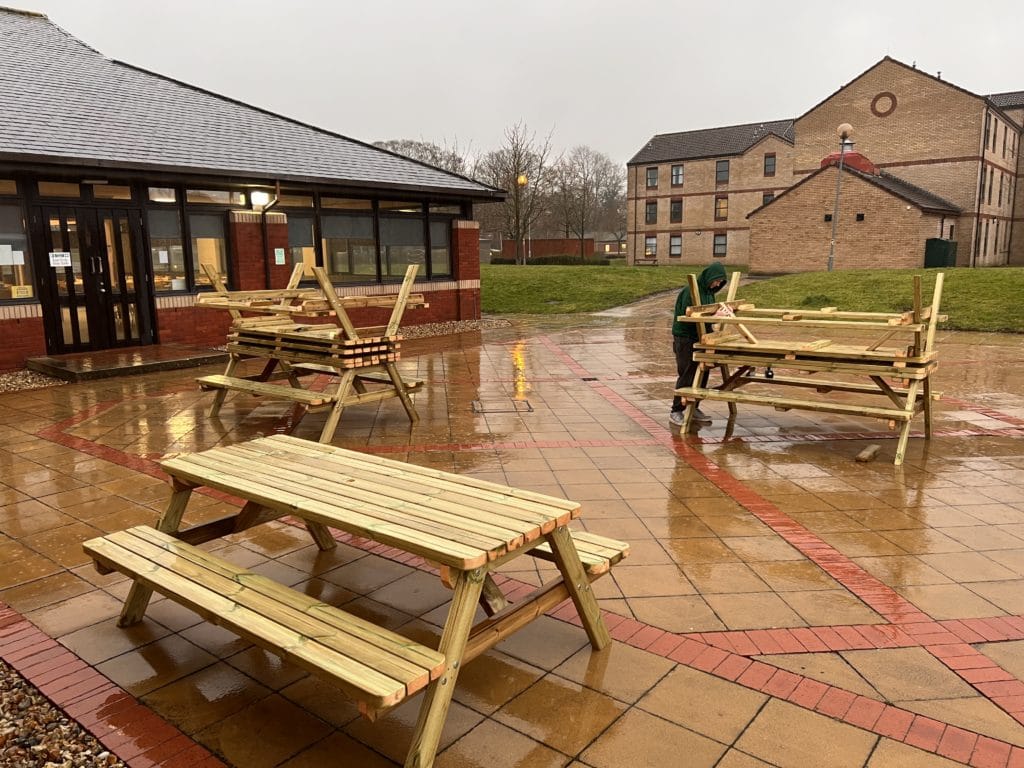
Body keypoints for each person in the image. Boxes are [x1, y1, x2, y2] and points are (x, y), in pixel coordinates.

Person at [669, 262, 728, 426]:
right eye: (716, 280)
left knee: (703, 371)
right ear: (709, 277)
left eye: (721, 282)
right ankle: (676, 410)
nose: (717, 284)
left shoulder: (709, 293)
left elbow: (707, 313)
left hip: (702, 336)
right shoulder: (691, 291)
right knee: (687, 373)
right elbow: (690, 316)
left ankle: (693, 406)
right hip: (685, 337)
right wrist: (714, 317)